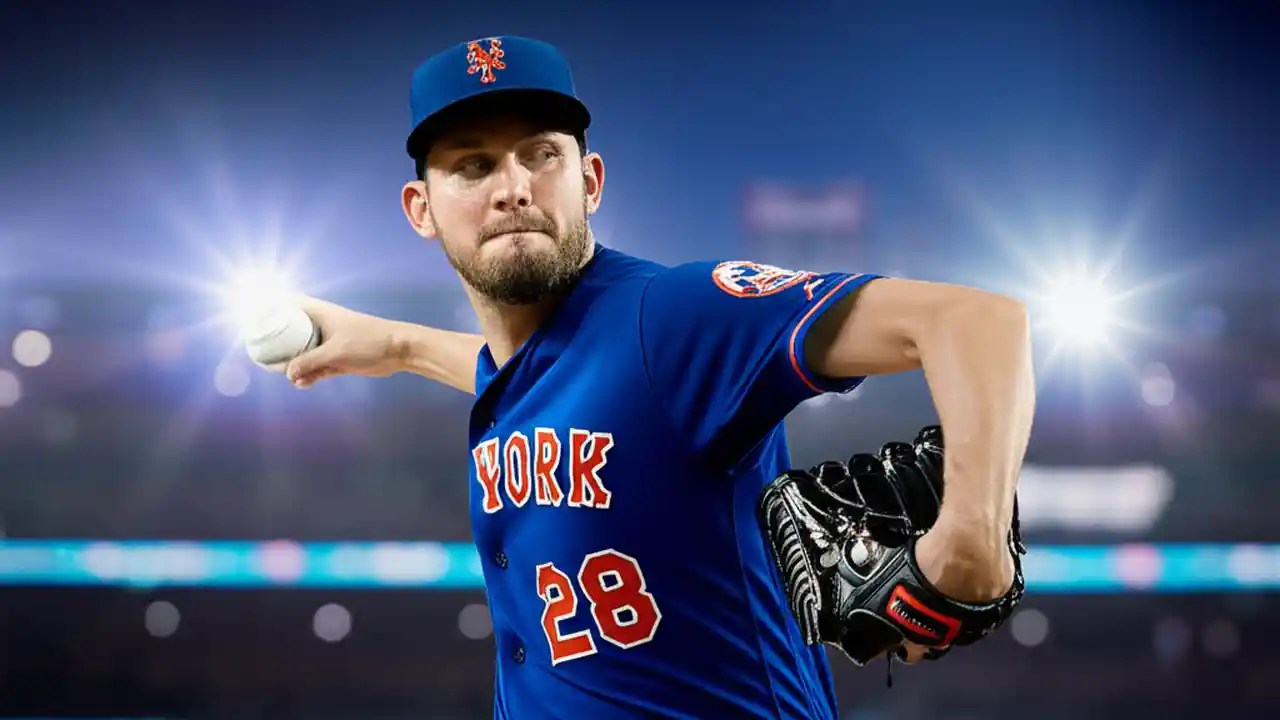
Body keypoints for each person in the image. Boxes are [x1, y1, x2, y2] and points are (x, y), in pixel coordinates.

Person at [284, 35, 1034, 720]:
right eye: (472, 165)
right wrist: (395, 344)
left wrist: (972, 538)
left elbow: (977, 324)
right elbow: (539, 375)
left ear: (591, 180)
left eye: (541, 154)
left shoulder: (672, 316)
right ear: (422, 208)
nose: (512, 186)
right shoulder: (521, 374)